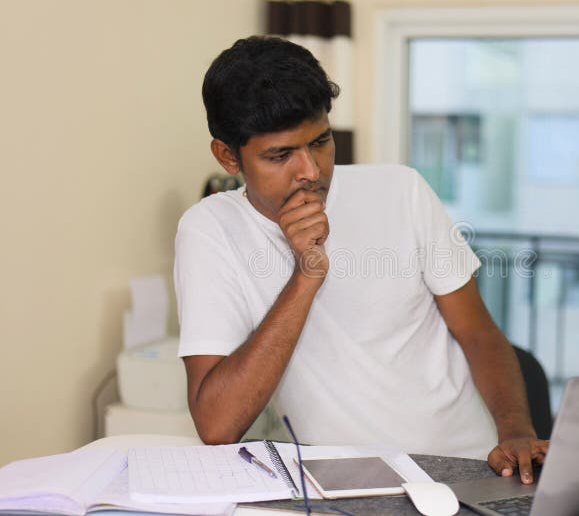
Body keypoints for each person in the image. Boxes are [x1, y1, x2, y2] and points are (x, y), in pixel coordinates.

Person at [174, 36, 549, 484]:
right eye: (280, 155)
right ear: (228, 155)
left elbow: (478, 332)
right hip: (349, 486)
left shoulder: (401, 189)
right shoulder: (209, 229)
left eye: (321, 142)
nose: (310, 171)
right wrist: (306, 275)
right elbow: (217, 425)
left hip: (471, 465)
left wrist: (516, 430)